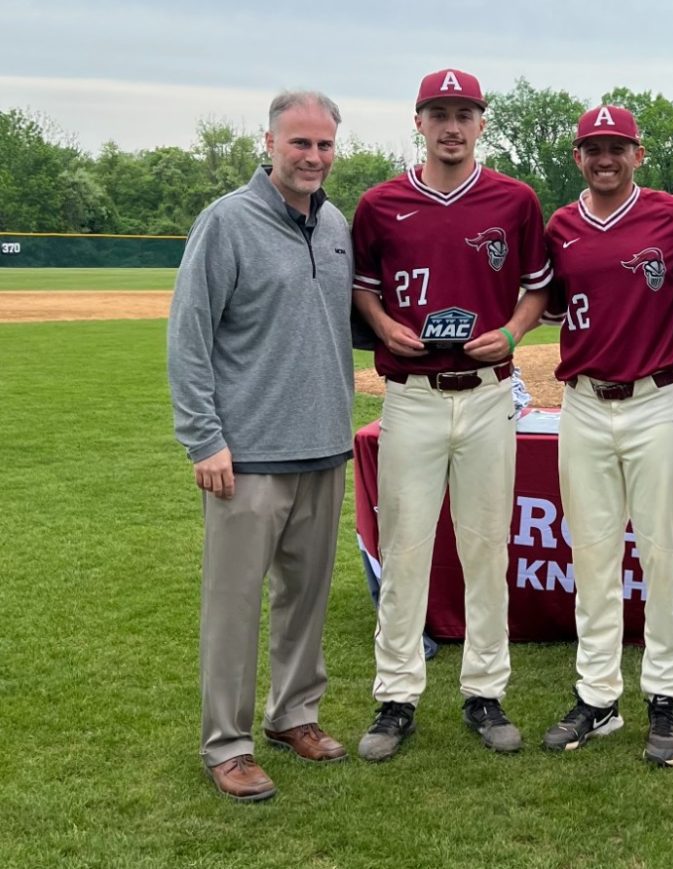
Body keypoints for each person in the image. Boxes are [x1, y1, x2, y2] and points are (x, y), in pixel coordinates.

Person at [350, 68, 552, 761]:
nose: (451, 125)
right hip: (412, 395)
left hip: (490, 390)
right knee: (406, 549)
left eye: (464, 112)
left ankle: (484, 691)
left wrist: (517, 331)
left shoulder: (514, 199)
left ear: (481, 122)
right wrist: (382, 326)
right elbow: (364, 289)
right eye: (439, 112)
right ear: (419, 122)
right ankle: (395, 695)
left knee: (485, 547)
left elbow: (536, 289)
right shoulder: (380, 203)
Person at [167, 91, 355, 801]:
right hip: (244, 457)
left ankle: (294, 715)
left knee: (304, 600)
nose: (312, 157)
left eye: (324, 145)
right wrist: (204, 438)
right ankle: (227, 743)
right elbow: (189, 339)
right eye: (299, 143)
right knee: (234, 603)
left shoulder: (336, 224)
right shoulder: (227, 221)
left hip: (322, 447)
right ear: (269, 142)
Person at [541, 106, 673, 766]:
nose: (604, 157)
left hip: (658, 400)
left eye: (617, 146)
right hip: (584, 403)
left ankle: (667, 697)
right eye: (593, 147)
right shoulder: (561, 225)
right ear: (578, 155)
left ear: (638, 153)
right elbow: (553, 305)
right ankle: (598, 697)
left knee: (664, 556)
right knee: (591, 556)